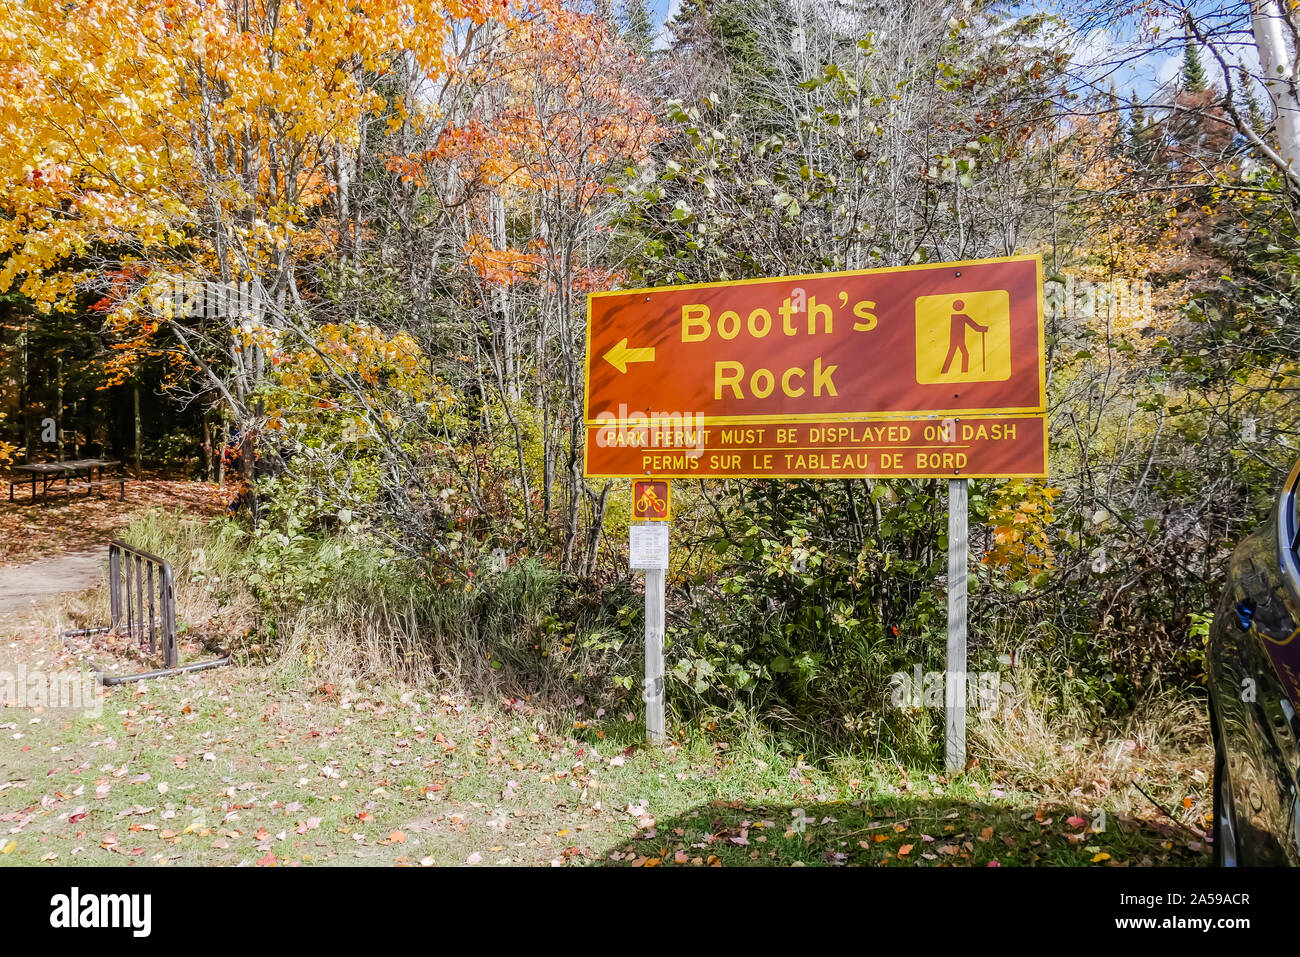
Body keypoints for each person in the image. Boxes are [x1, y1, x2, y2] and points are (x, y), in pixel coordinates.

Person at [939, 299, 990, 375]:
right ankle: (963, 372)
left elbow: (975, 326)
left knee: (955, 353)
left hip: (955, 339)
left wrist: (983, 329)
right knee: (963, 354)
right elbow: (975, 326)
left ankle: (946, 371)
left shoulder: (954, 317)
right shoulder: (963, 317)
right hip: (958, 339)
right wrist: (984, 329)